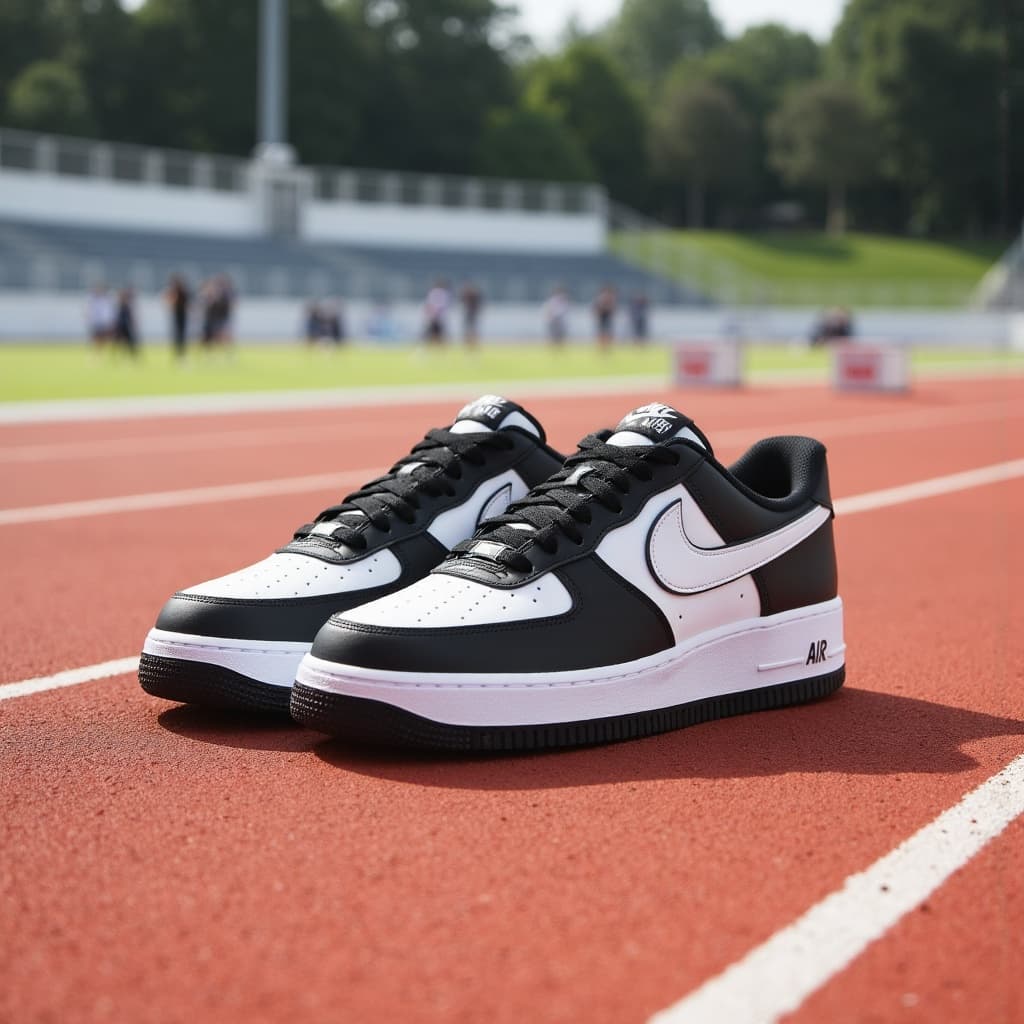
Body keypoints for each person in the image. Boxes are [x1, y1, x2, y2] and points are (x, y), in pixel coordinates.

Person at [165, 275, 190, 359]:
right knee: (177, 336)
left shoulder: (182, 292)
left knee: (181, 336)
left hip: (182, 316)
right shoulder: (174, 292)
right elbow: (169, 302)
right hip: (177, 315)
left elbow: (187, 304)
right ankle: (178, 354)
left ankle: (181, 354)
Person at [85, 284, 115, 350]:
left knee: (106, 337)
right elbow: (89, 310)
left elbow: (110, 311)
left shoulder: (107, 299)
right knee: (96, 337)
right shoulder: (92, 299)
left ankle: (105, 348)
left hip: (104, 322)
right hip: (96, 321)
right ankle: (97, 349)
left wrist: (111, 320)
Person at [423, 279, 451, 345]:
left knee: (436, 332)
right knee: (436, 332)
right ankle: (436, 344)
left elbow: (430, 304)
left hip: (436, 316)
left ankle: (435, 344)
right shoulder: (442, 293)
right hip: (437, 316)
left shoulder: (436, 292)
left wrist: (432, 312)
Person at [113, 287, 139, 356]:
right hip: (120, 326)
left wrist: (133, 323)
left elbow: (130, 316)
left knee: (130, 342)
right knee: (116, 342)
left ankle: (133, 355)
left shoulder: (127, 306)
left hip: (126, 326)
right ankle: (114, 355)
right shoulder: (119, 306)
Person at [593, 284, 617, 351]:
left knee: (607, 332)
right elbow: (596, 308)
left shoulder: (610, 297)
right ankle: (602, 346)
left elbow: (613, 308)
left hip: (607, 316)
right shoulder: (600, 298)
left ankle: (607, 346)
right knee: (602, 332)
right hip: (602, 317)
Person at [460, 282, 483, 349]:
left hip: (471, 314)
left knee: (472, 329)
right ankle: (469, 342)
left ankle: (472, 343)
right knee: (469, 329)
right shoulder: (471, 295)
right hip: (469, 313)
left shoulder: (472, 295)